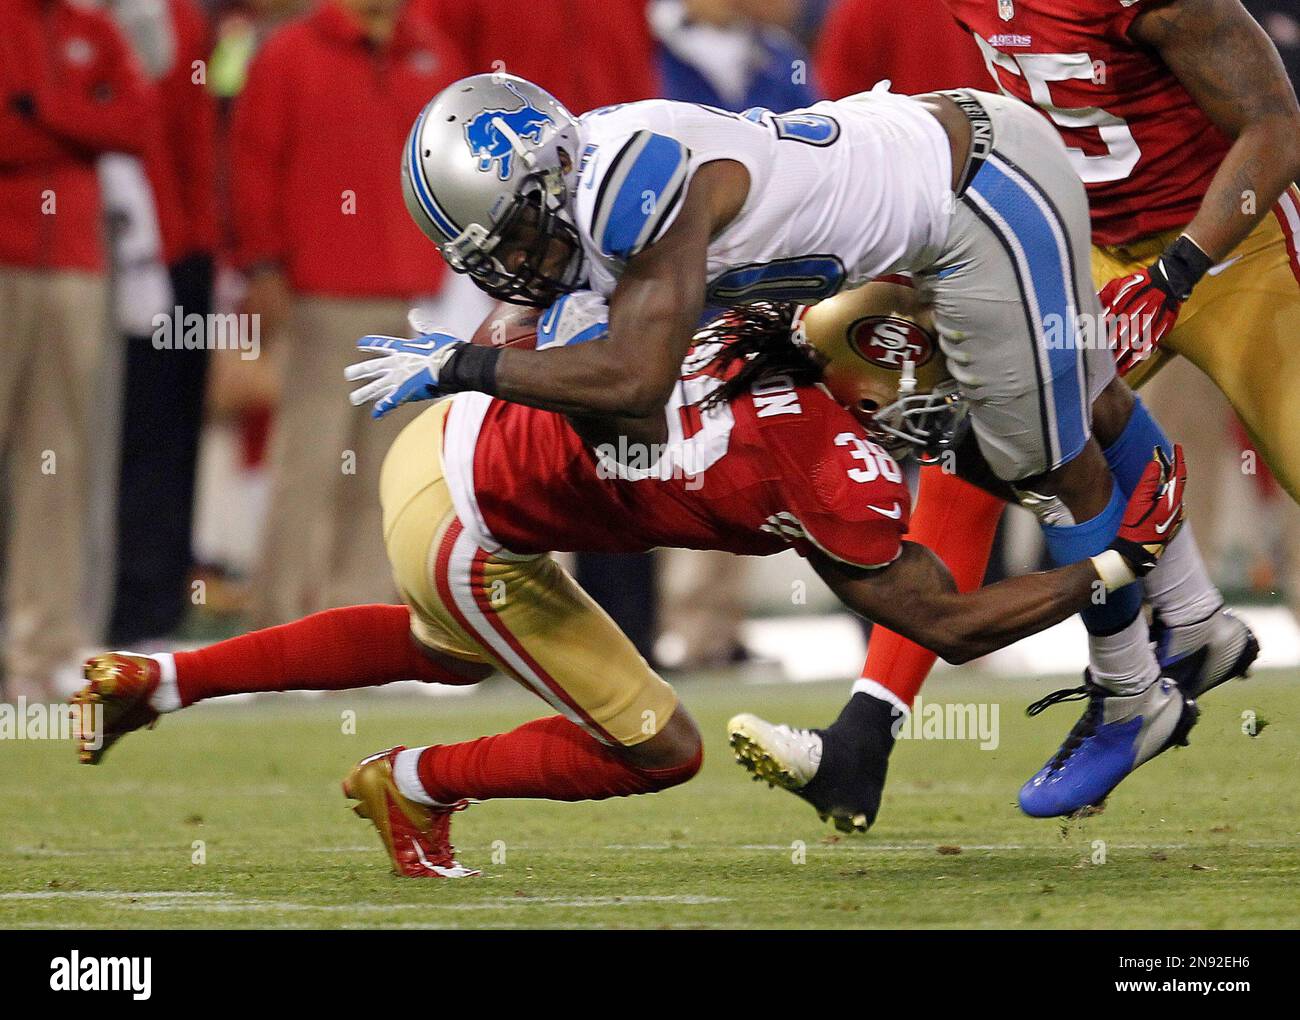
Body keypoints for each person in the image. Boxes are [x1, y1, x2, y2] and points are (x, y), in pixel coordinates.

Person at [71, 289, 1186, 877]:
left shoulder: (748, 320)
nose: (922, 394)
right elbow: (943, 620)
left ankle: (157, 681)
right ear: (852, 379)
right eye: (903, 375)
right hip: (473, 525)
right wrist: (1117, 560)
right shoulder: (819, 459)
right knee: (660, 748)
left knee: (451, 647)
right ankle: (412, 785)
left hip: (452, 444)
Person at [349, 73, 1225, 817]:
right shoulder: (594, 176)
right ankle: (1194, 626)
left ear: (549, 186)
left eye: (512, 237)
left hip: (979, 202)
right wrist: (507, 334)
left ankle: (1131, 696)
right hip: (936, 181)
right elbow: (613, 364)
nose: (508, 266)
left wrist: (468, 365)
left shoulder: (631, 195)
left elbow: (637, 384)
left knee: (1046, 463)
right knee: (1091, 395)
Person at [743, 0, 1300, 832]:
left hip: (1233, 249)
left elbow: (1276, 127)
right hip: (1088, 242)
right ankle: (866, 739)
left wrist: (1175, 273)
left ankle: (1173, 645)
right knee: (988, 451)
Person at [228, 0, 470, 627]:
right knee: (307, 465)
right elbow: (252, 164)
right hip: (323, 296)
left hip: (419, 298)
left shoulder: (433, 51)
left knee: (389, 473)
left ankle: (356, 622)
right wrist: (261, 265)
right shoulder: (289, 54)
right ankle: (279, 623)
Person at [0, 0, 157, 702]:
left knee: (57, 464)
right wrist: (78, 122)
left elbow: (138, 123)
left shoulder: (92, 29)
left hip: (74, 262)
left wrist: (43, 111)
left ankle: (44, 652)